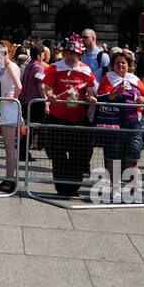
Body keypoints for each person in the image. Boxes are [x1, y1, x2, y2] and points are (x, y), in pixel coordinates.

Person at [40, 36, 96, 196]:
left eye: (74, 53)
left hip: (79, 119)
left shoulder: (85, 70)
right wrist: (50, 96)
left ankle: (73, 187)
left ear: (79, 55)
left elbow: (90, 89)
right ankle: (61, 187)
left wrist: (91, 97)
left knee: (78, 155)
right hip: (59, 117)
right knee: (58, 154)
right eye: (68, 53)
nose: (70, 56)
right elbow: (47, 86)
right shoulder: (55, 68)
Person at [93, 50, 144, 202]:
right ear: (113, 65)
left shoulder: (134, 79)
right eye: (117, 63)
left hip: (133, 122)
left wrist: (143, 100)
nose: (120, 65)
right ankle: (116, 189)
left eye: (123, 63)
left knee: (133, 156)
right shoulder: (108, 78)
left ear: (129, 65)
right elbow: (101, 97)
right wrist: (116, 93)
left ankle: (133, 190)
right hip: (114, 122)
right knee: (114, 157)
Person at [0, 40, 22, 192]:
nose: (0, 55)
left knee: (9, 147)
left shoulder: (11, 67)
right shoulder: (4, 66)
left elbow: (19, 86)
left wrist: (12, 98)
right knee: (8, 146)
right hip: (6, 108)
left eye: (3, 52)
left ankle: (10, 179)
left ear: (9, 53)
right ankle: (9, 177)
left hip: (10, 110)